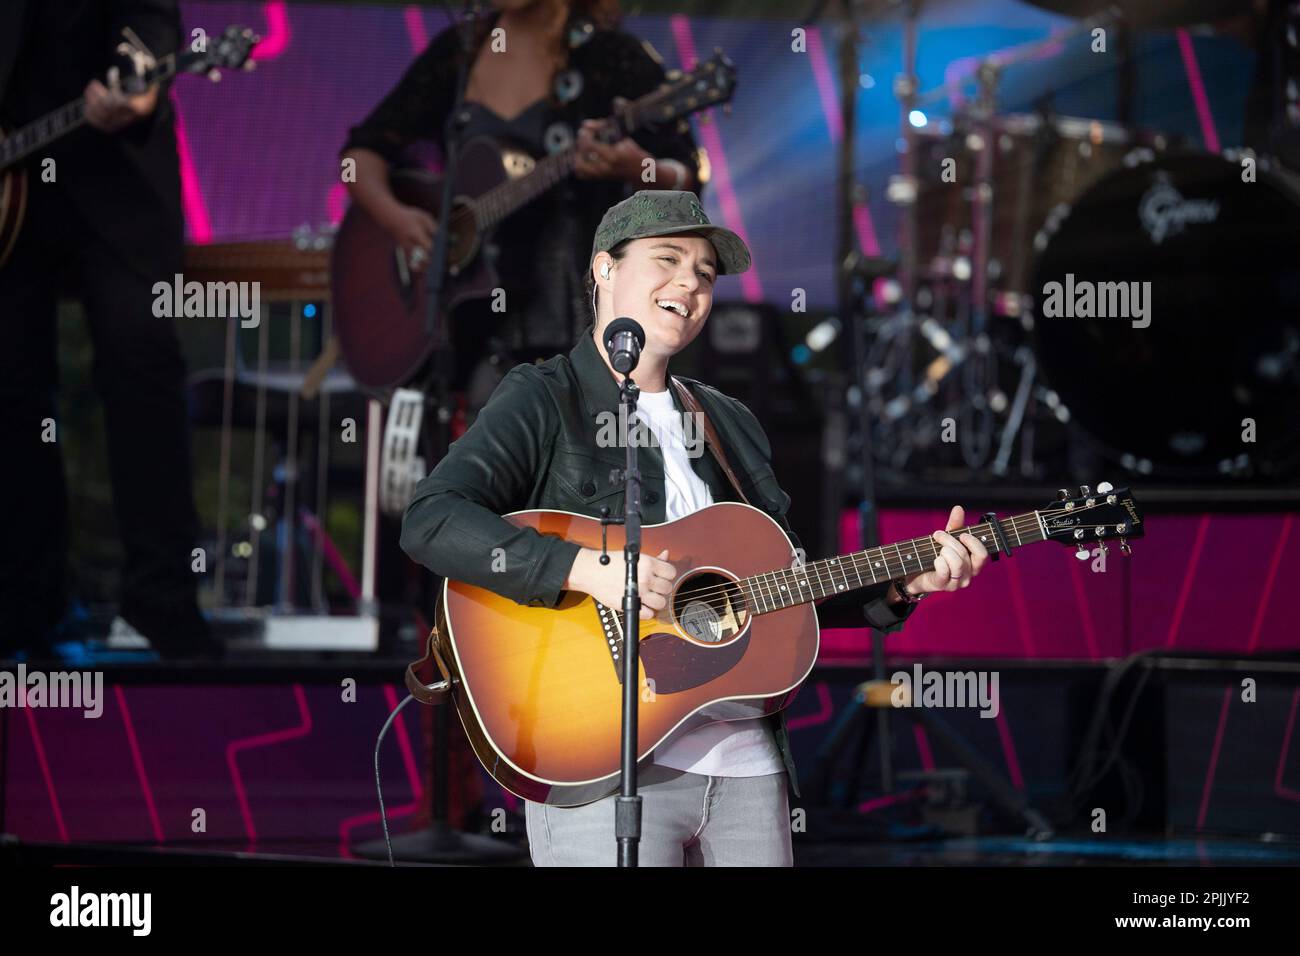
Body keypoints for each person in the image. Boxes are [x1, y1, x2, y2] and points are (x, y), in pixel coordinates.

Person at [399, 190, 991, 866]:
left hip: (745, 766)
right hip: (600, 764)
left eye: (705, 272)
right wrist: (586, 570)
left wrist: (900, 586)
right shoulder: (544, 395)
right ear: (603, 269)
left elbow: (776, 591)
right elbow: (432, 518)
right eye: (669, 259)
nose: (690, 282)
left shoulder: (727, 421)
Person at [340, 0, 702, 407]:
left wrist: (637, 167)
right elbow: (360, 155)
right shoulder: (462, 50)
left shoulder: (611, 56)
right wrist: (397, 220)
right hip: (466, 330)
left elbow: (684, 176)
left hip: (570, 313)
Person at [0, 0, 216, 660]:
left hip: (116, 176)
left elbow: (150, 19)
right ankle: (23, 609)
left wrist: (137, 77)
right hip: (14, 185)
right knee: (10, 385)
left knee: (139, 357)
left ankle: (164, 602)